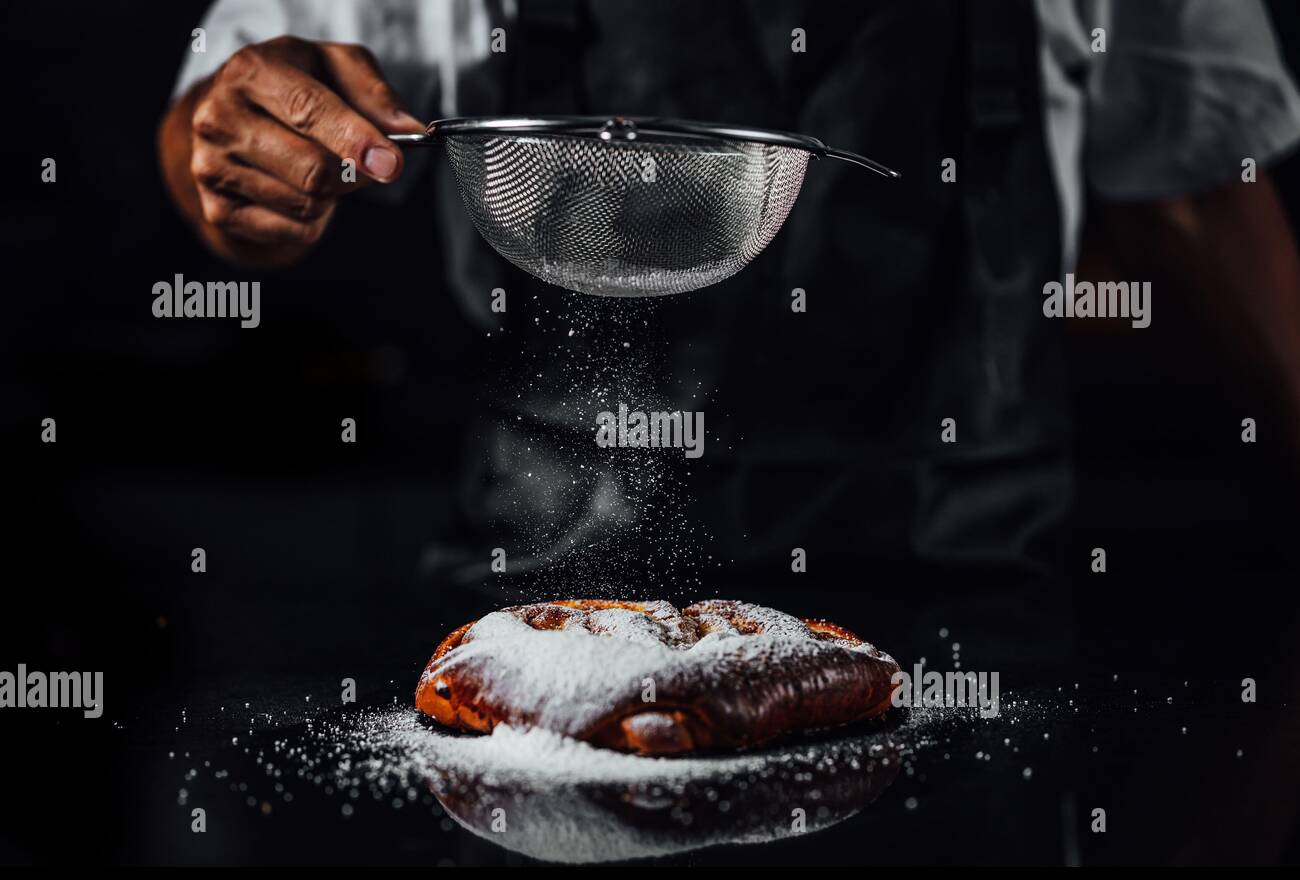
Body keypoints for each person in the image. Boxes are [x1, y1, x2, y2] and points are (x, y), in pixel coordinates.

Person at [158, 0, 1300, 583]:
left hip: (966, 615)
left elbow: (1196, 184)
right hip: (554, 618)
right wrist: (242, 157)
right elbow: (226, 110)